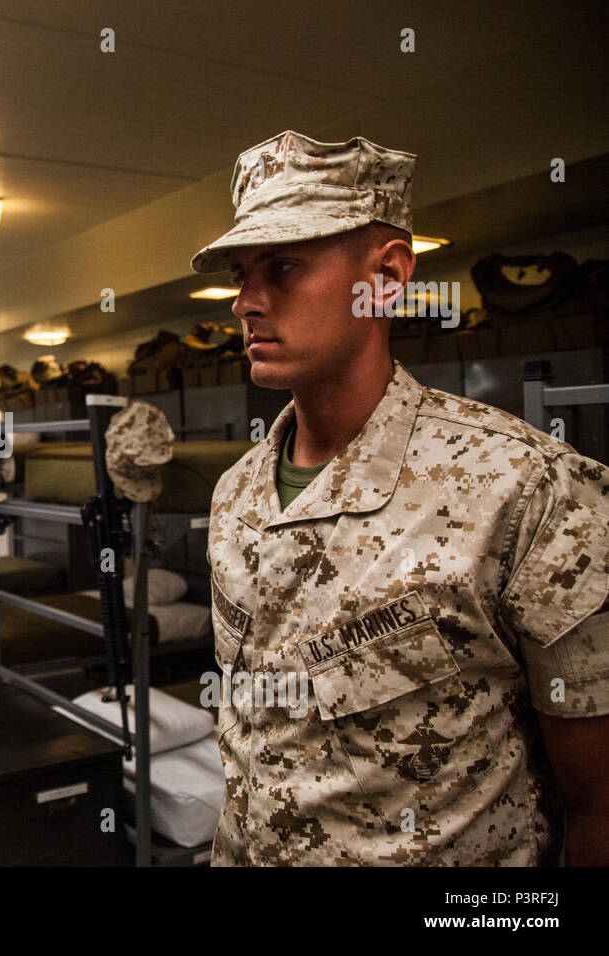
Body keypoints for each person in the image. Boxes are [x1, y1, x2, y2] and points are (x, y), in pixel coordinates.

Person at [193, 130, 609, 865]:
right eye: (241, 273)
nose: (246, 303)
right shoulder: (236, 495)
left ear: (385, 277)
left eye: (283, 266)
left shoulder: (525, 487)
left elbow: (597, 803)